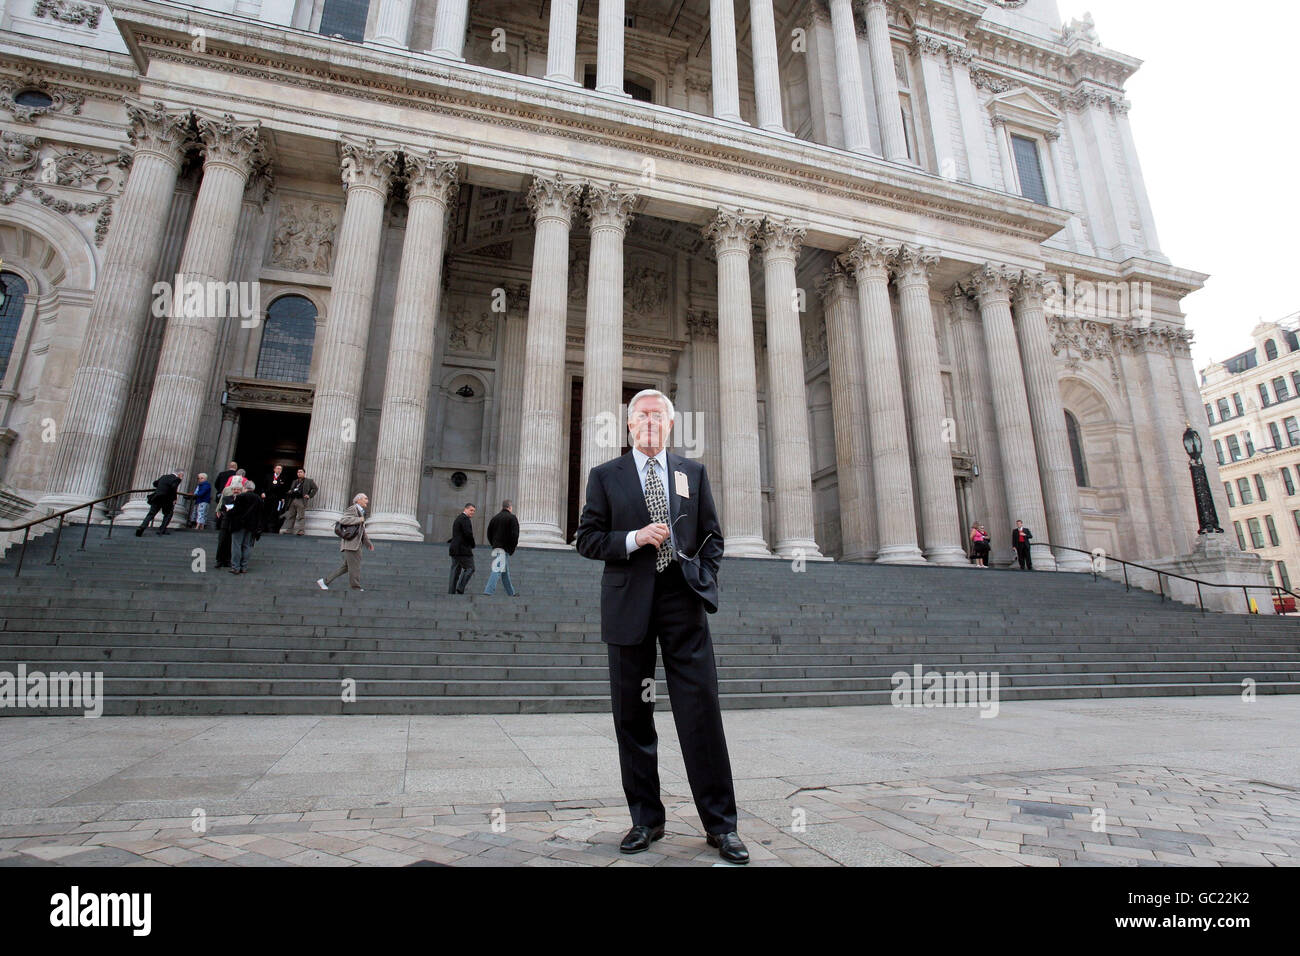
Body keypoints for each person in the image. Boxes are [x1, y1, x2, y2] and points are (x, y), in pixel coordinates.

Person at [574, 388, 746, 864]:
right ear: (629, 425)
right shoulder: (605, 476)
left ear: (670, 424)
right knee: (633, 716)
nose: (650, 421)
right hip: (628, 604)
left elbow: (712, 536)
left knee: (701, 712)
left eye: (658, 415)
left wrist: (703, 578)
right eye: (642, 415)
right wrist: (634, 538)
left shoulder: (693, 472)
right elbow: (587, 539)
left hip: (682, 602)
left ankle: (721, 826)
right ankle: (646, 820)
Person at [317, 493, 373, 591]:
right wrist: (359, 519)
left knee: (346, 567)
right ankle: (355, 587)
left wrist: (368, 543)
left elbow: (361, 530)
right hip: (351, 544)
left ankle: (325, 581)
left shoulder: (361, 511)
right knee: (355, 566)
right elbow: (343, 520)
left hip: (355, 544)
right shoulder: (353, 509)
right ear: (358, 500)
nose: (367, 501)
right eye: (365, 498)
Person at [483, 500, 520, 597]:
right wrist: (512, 548)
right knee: (497, 568)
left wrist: (494, 544)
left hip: (497, 547)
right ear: (510, 507)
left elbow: (489, 533)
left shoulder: (495, 518)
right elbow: (515, 535)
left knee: (504, 572)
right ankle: (488, 591)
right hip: (505, 548)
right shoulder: (512, 518)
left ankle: (511, 593)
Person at [135, 470, 185, 536]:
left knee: (151, 514)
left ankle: (142, 527)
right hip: (167, 499)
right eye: (182, 475)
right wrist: (175, 498)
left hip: (157, 497)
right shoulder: (176, 479)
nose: (182, 477)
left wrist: (162, 487)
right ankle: (162, 529)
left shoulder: (164, 476)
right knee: (168, 514)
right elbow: (174, 488)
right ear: (179, 474)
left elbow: (155, 483)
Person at [228, 480, 262, 574]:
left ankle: (235, 567)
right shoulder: (258, 498)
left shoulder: (240, 497)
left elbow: (235, 510)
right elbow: (260, 514)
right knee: (247, 546)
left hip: (239, 524)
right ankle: (244, 567)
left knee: (236, 545)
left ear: (245, 487)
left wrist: (228, 512)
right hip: (251, 525)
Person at [214, 472, 245, 568]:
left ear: (241, 491)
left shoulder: (242, 500)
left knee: (231, 542)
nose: (236, 491)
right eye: (234, 489)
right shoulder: (227, 498)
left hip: (235, 523)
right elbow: (222, 507)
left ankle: (228, 560)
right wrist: (223, 509)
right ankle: (219, 560)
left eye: (238, 490)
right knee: (222, 541)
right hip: (226, 522)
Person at [448, 503, 476, 594]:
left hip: (455, 549)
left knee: (455, 571)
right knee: (470, 568)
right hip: (462, 550)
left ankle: (451, 591)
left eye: (474, 511)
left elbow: (457, 534)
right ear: (465, 509)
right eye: (471, 510)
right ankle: (460, 587)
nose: (472, 512)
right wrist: (472, 544)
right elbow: (468, 534)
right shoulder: (465, 519)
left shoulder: (458, 518)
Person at [280, 468, 317, 535]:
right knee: (291, 516)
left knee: (301, 516)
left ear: (304, 473)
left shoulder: (309, 481)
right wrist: (290, 491)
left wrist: (309, 495)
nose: (299, 473)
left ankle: (301, 530)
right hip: (293, 499)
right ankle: (289, 530)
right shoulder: (295, 481)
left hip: (301, 500)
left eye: (301, 472)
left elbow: (315, 488)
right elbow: (292, 489)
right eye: (298, 472)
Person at [262, 464, 290, 532]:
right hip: (268, 497)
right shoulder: (268, 476)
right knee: (266, 512)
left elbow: (285, 489)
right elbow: (263, 485)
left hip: (277, 499)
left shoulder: (283, 478)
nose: (279, 470)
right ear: (274, 469)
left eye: (280, 469)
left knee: (274, 513)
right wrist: (263, 492)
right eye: (278, 468)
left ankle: (271, 528)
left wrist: (283, 497)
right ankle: (263, 527)